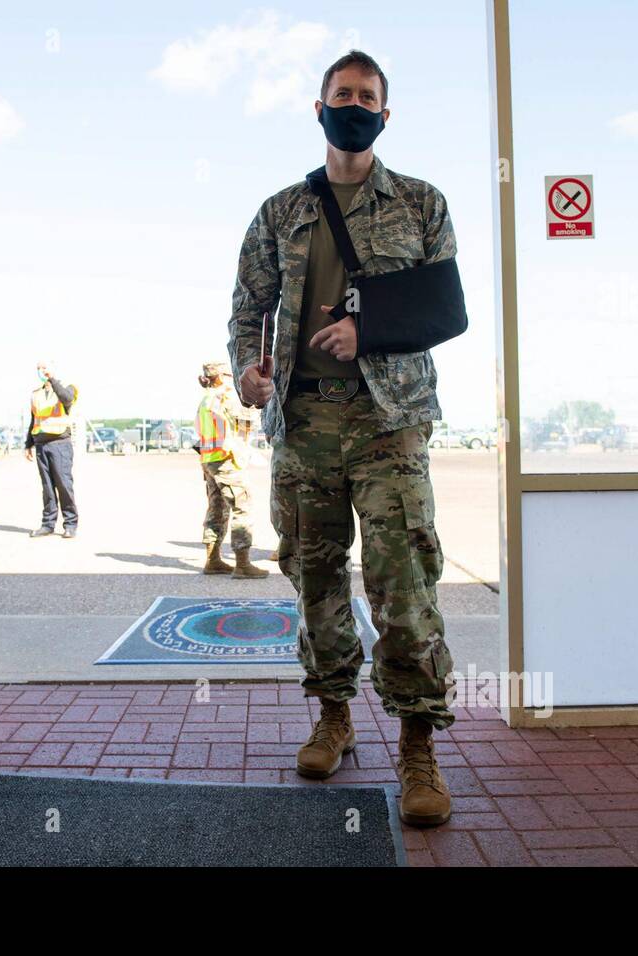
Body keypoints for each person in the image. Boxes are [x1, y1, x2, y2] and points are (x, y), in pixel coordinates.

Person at [228, 52, 460, 827]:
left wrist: (369, 330)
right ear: (319, 107)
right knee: (315, 580)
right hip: (303, 425)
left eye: (366, 98)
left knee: (404, 584)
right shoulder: (279, 212)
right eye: (342, 95)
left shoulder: (420, 203)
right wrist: (247, 371)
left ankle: (418, 748)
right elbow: (248, 308)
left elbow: (446, 310)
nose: (353, 106)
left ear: (384, 115)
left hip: (390, 423)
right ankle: (334, 718)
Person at [195, 360, 268, 579]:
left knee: (216, 509)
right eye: (228, 375)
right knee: (242, 507)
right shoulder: (226, 396)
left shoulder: (207, 398)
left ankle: (212, 559)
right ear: (220, 376)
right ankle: (243, 564)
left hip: (210, 459)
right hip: (227, 459)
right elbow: (249, 420)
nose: (232, 379)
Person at [24, 361, 79, 538]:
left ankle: (70, 524)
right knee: (47, 487)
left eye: (45, 367)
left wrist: (53, 380)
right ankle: (47, 524)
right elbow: (34, 419)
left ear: (54, 370)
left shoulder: (69, 387)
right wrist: (28, 444)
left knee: (64, 485)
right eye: (38, 368)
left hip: (60, 443)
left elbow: (67, 399)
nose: (42, 371)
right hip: (41, 444)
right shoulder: (36, 394)